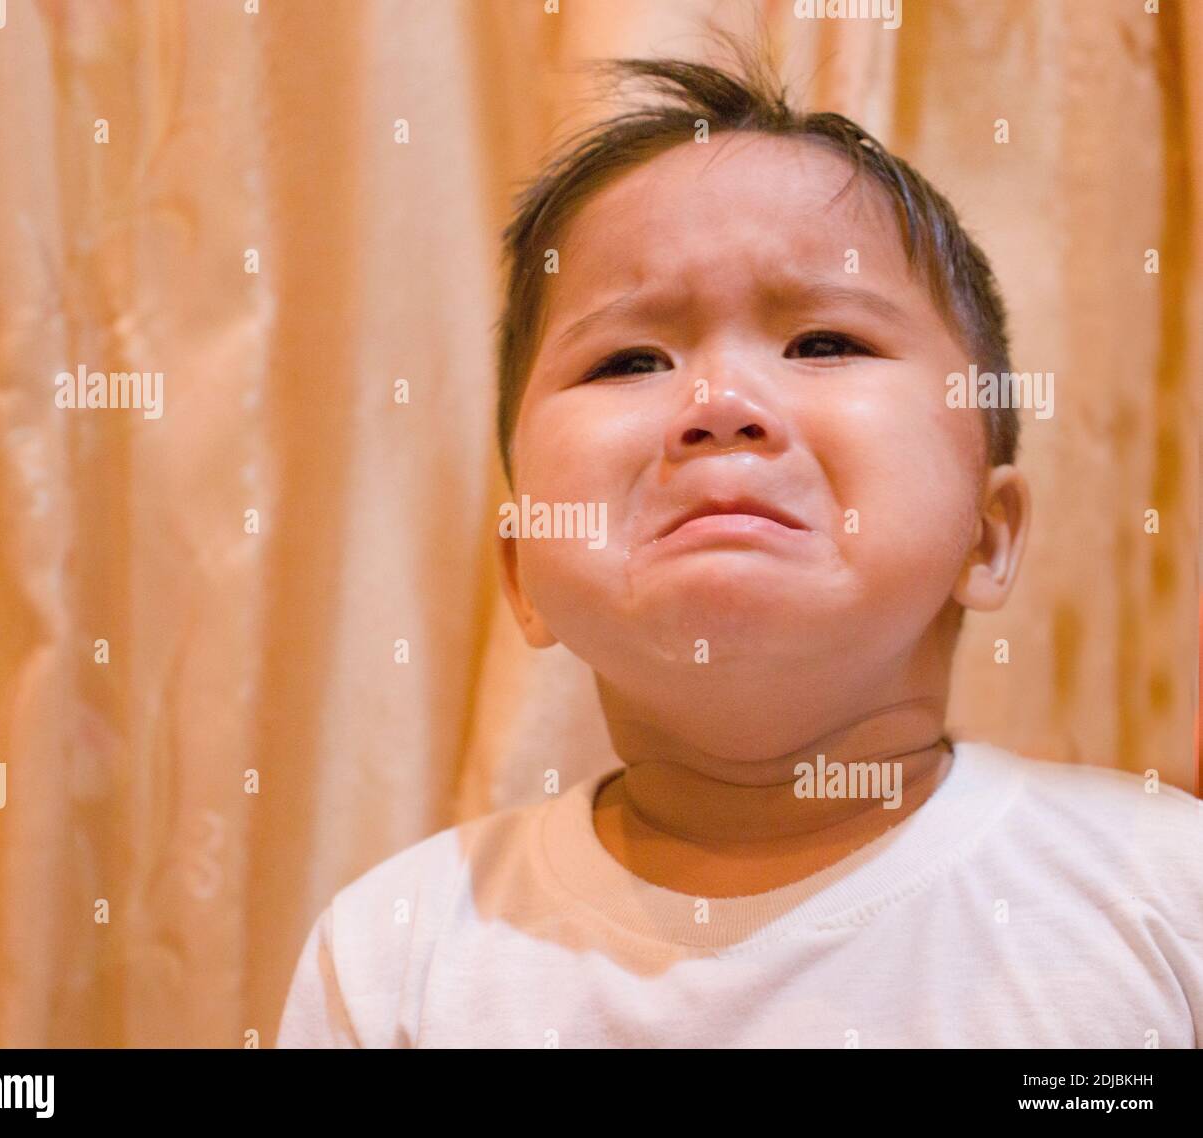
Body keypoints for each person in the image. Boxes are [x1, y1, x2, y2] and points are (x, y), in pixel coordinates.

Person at [276, 45, 1202, 1048]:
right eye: (630, 358)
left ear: (984, 535)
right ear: (524, 575)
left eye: (822, 343)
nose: (718, 406)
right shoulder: (398, 954)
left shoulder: (1160, 893)